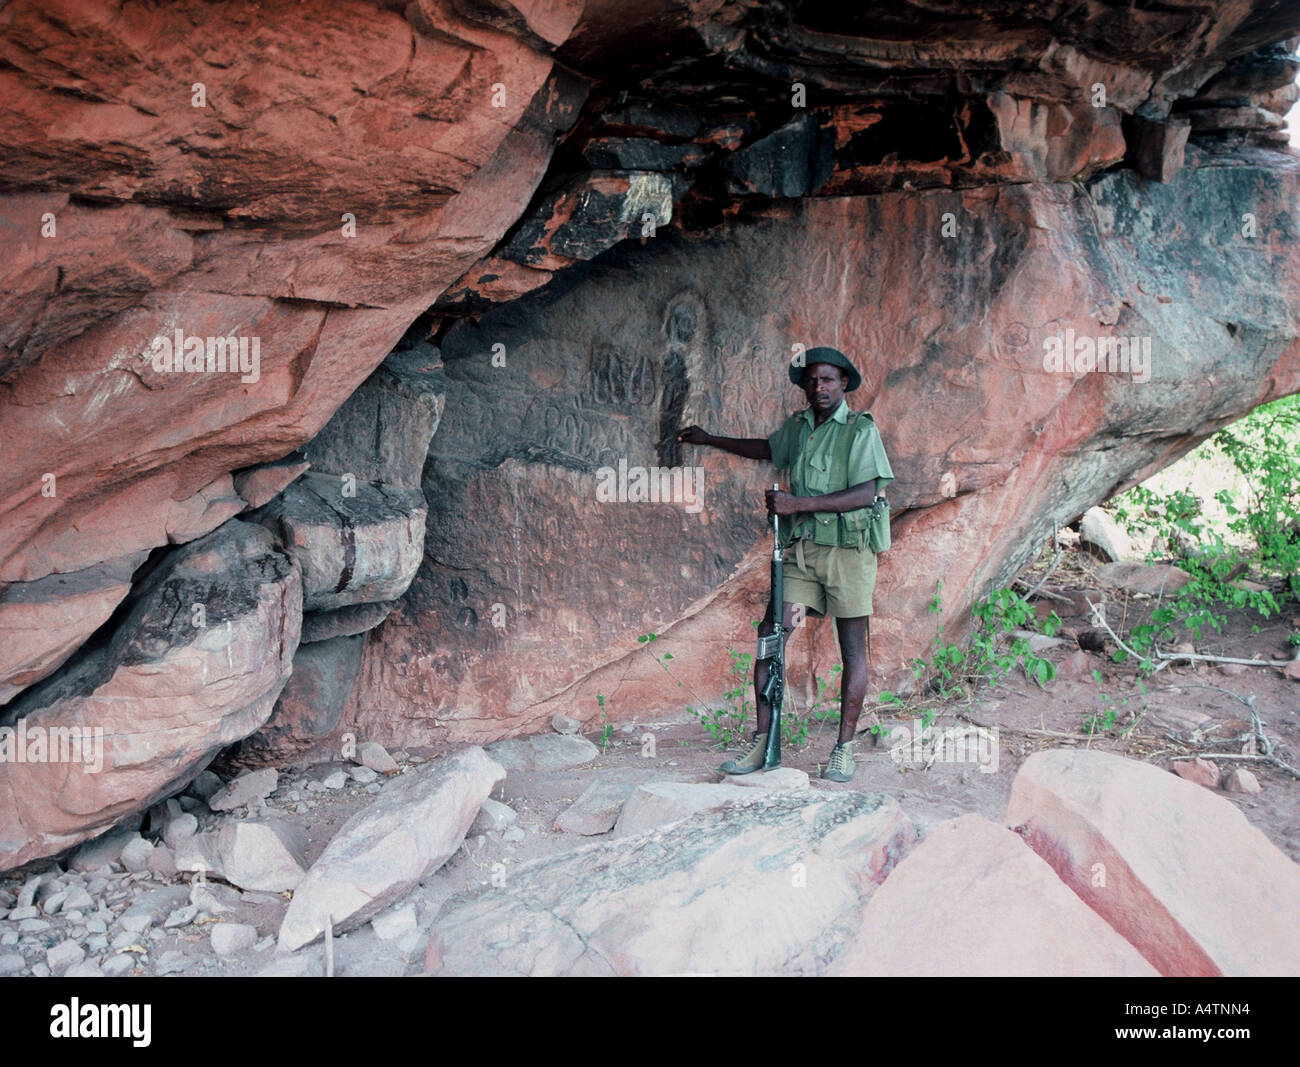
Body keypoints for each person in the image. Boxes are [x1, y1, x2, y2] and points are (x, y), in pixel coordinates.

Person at [677, 346, 894, 782]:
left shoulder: (858, 429)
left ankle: (843, 748)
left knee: (852, 651)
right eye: (813, 380)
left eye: (829, 379)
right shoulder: (799, 428)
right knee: (771, 636)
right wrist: (710, 439)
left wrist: (797, 504)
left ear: (844, 383)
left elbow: (866, 493)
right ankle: (763, 741)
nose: (820, 387)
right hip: (802, 553)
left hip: (849, 554)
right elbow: (767, 449)